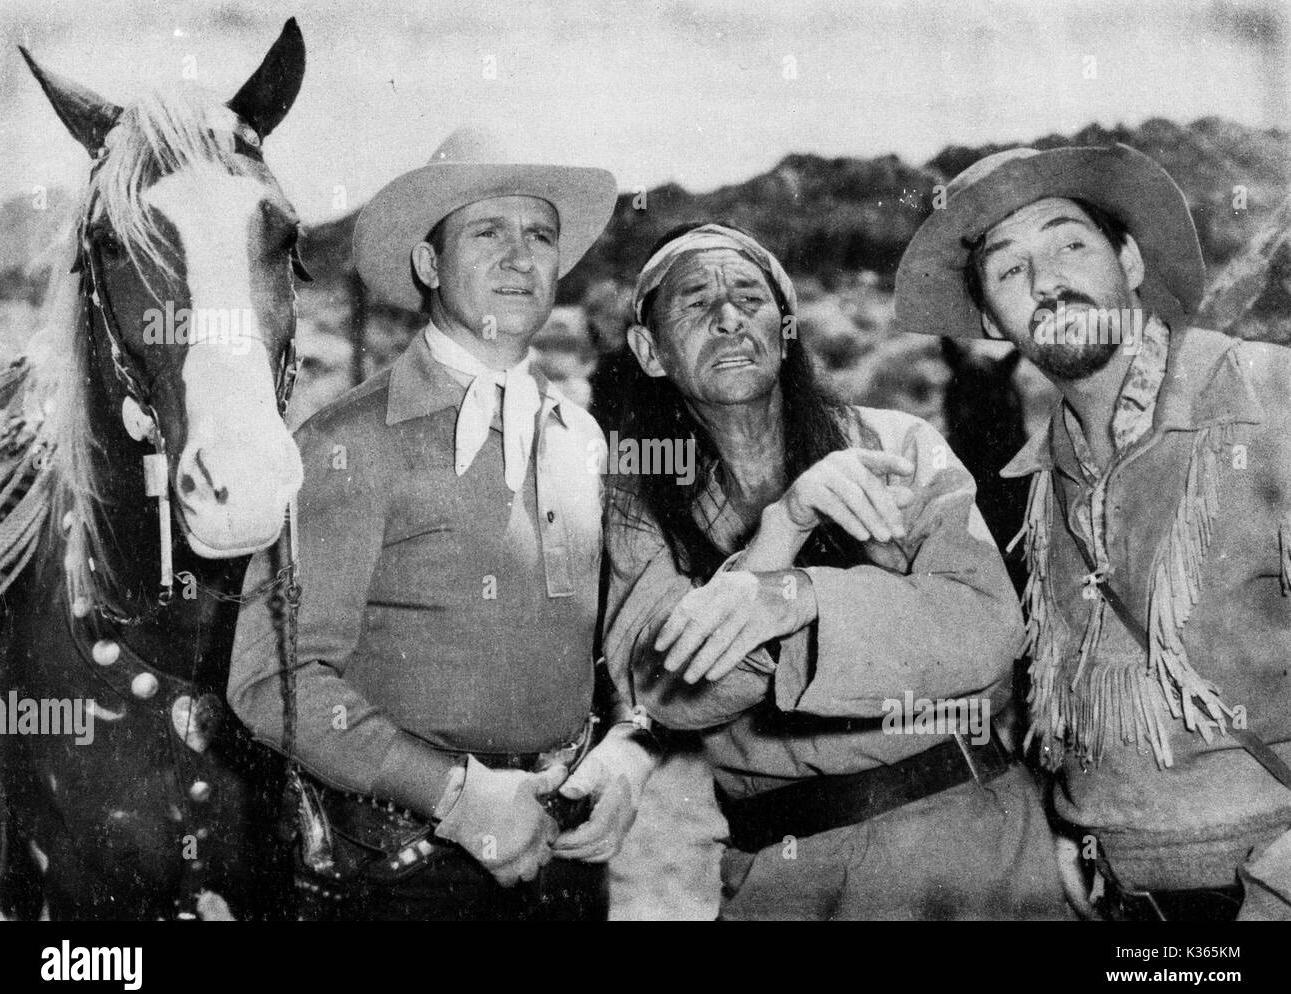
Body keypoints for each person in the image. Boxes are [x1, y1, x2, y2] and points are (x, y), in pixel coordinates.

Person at [228, 125, 657, 921]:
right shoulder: (346, 442)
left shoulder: (582, 438)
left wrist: (629, 754)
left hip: (567, 858)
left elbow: (627, 645)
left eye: (540, 234)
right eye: (487, 231)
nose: (520, 256)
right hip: (401, 872)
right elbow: (271, 680)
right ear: (428, 263)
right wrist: (457, 795)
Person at [602, 221, 1066, 919]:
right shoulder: (638, 499)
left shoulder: (897, 443)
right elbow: (666, 692)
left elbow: (986, 624)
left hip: (969, 849)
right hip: (788, 881)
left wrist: (802, 596)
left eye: (751, 299)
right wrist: (782, 530)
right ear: (650, 351)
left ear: (787, 330)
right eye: (695, 304)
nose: (728, 319)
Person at [896, 142, 1291, 920]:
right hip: (1116, 896)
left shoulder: (1266, 399)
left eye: (1070, 243)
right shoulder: (1043, 485)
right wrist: (1066, 831)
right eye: (1009, 271)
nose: (1045, 282)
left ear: (1132, 263)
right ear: (991, 320)